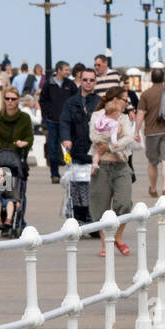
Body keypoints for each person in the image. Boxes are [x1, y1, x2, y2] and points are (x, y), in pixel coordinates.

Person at [88, 88, 135, 255]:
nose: (127, 103)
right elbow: (94, 136)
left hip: (121, 165)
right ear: (115, 100)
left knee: (125, 203)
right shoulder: (97, 115)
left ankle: (117, 237)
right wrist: (114, 134)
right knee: (100, 206)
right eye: (125, 100)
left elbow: (129, 137)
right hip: (101, 166)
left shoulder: (124, 118)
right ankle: (105, 245)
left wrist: (109, 146)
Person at [60, 67, 101, 228]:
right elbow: (64, 122)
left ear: (95, 82)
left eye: (91, 80)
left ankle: (93, 217)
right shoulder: (71, 102)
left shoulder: (99, 101)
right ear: (80, 80)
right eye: (85, 80)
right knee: (76, 187)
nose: (88, 83)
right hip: (76, 150)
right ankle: (77, 217)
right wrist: (66, 139)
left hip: (94, 151)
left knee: (93, 187)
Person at [135, 67, 165, 198]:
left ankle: (153, 188)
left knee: (153, 162)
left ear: (151, 78)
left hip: (151, 132)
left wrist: (137, 131)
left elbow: (140, 114)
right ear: (163, 78)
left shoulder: (146, 94)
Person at [39, 60, 77, 183]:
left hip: (67, 122)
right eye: (66, 69)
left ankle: (71, 172)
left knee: (69, 149)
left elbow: (76, 100)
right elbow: (42, 101)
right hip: (52, 122)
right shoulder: (48, 84)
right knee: (53, 150)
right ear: (59, 70)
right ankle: (54, 174)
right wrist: (47, 114)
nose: (68, 72)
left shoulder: (70, 84)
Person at [0, 85, 34, 160]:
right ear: (4, 100)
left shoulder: (25, 118)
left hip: (18, 155)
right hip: (0, 155)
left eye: (13, 99)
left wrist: (23, 143)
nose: (10, 101)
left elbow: (29, 137)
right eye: (7, 98)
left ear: (18, 100)